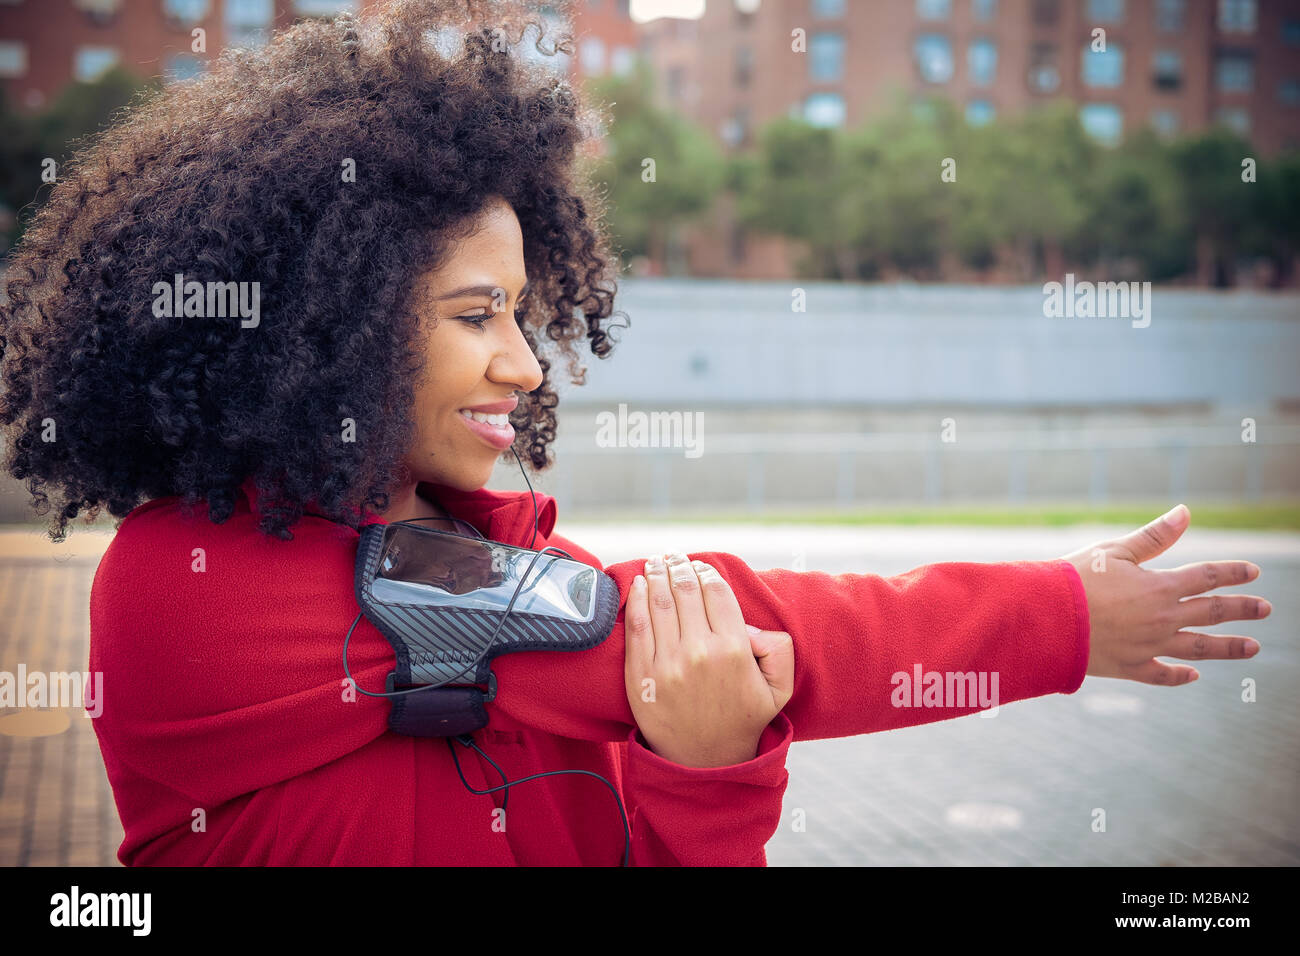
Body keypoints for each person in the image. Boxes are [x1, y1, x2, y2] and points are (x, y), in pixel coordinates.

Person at [0, 1, 1269, 866]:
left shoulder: (471, 558)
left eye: (524, 310)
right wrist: (1056, 616)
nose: (522, 357)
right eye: (473, 312)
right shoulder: (183, 580)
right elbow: (701, 615)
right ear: (315, 330)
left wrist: (706, 768)